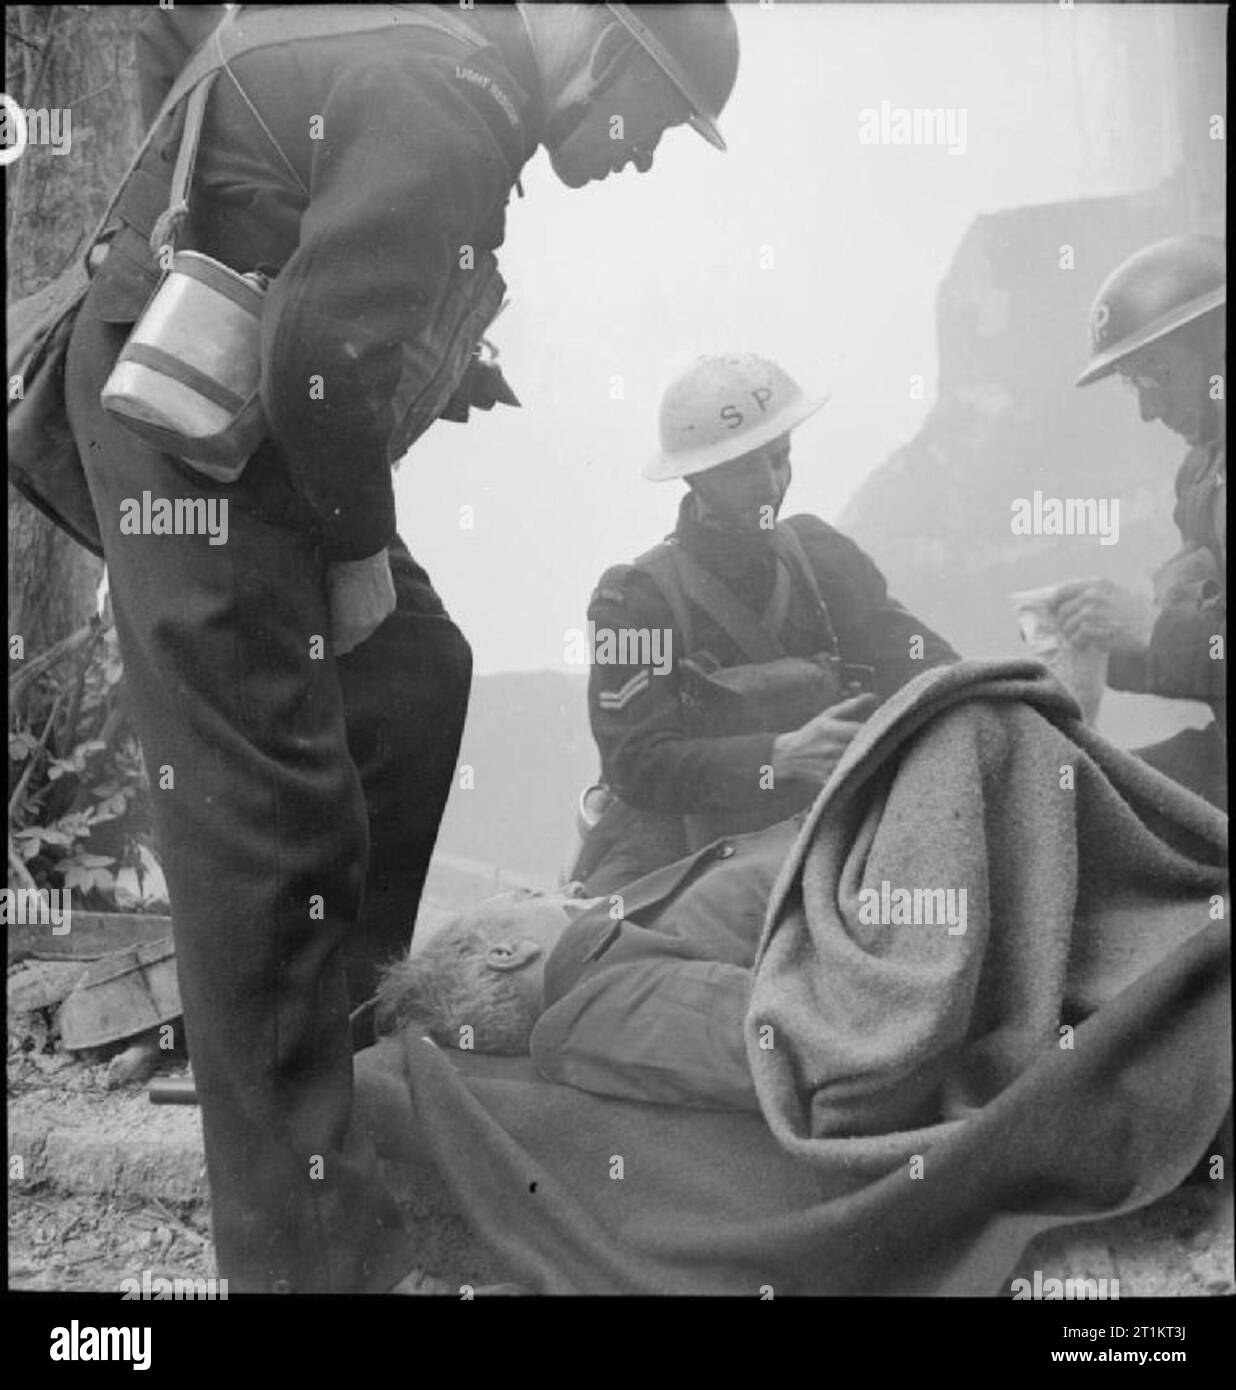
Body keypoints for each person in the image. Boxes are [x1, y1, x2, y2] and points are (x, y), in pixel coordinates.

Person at [63, 2, 739, 1293]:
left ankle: (346, 1072)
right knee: (265, 828)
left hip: (242, 424)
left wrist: (439, 361)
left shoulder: (450, 66)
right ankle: (306, 1257)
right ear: (607, 54)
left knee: (412, 674)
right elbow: (316, 348)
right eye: (656, 122)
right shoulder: (450, 96)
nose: (645, 155)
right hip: (194, 438)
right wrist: (357, 547)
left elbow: (317, 256)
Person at [573, 352, 958, 892]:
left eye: (780, 458)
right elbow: (635, 764)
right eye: (743, 468)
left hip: (826, 842)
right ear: (696, 476)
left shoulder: (823, 559)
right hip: (682, 866)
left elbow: (925, 664)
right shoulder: (633, 601)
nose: (770, 484)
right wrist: (780, 757)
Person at [376, 815, 804, 1110]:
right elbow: (809, 1032)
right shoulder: (600, 1014)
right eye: (531, 895)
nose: (576, 886)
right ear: (508, 952)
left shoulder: (610, 964)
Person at [1055, 234, 1226, 809]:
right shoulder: (1202, 473)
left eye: (1158, 374)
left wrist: (1151, 629)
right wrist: (1107, 640)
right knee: (1060, 806)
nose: (1149, 410)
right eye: (1135, 382)